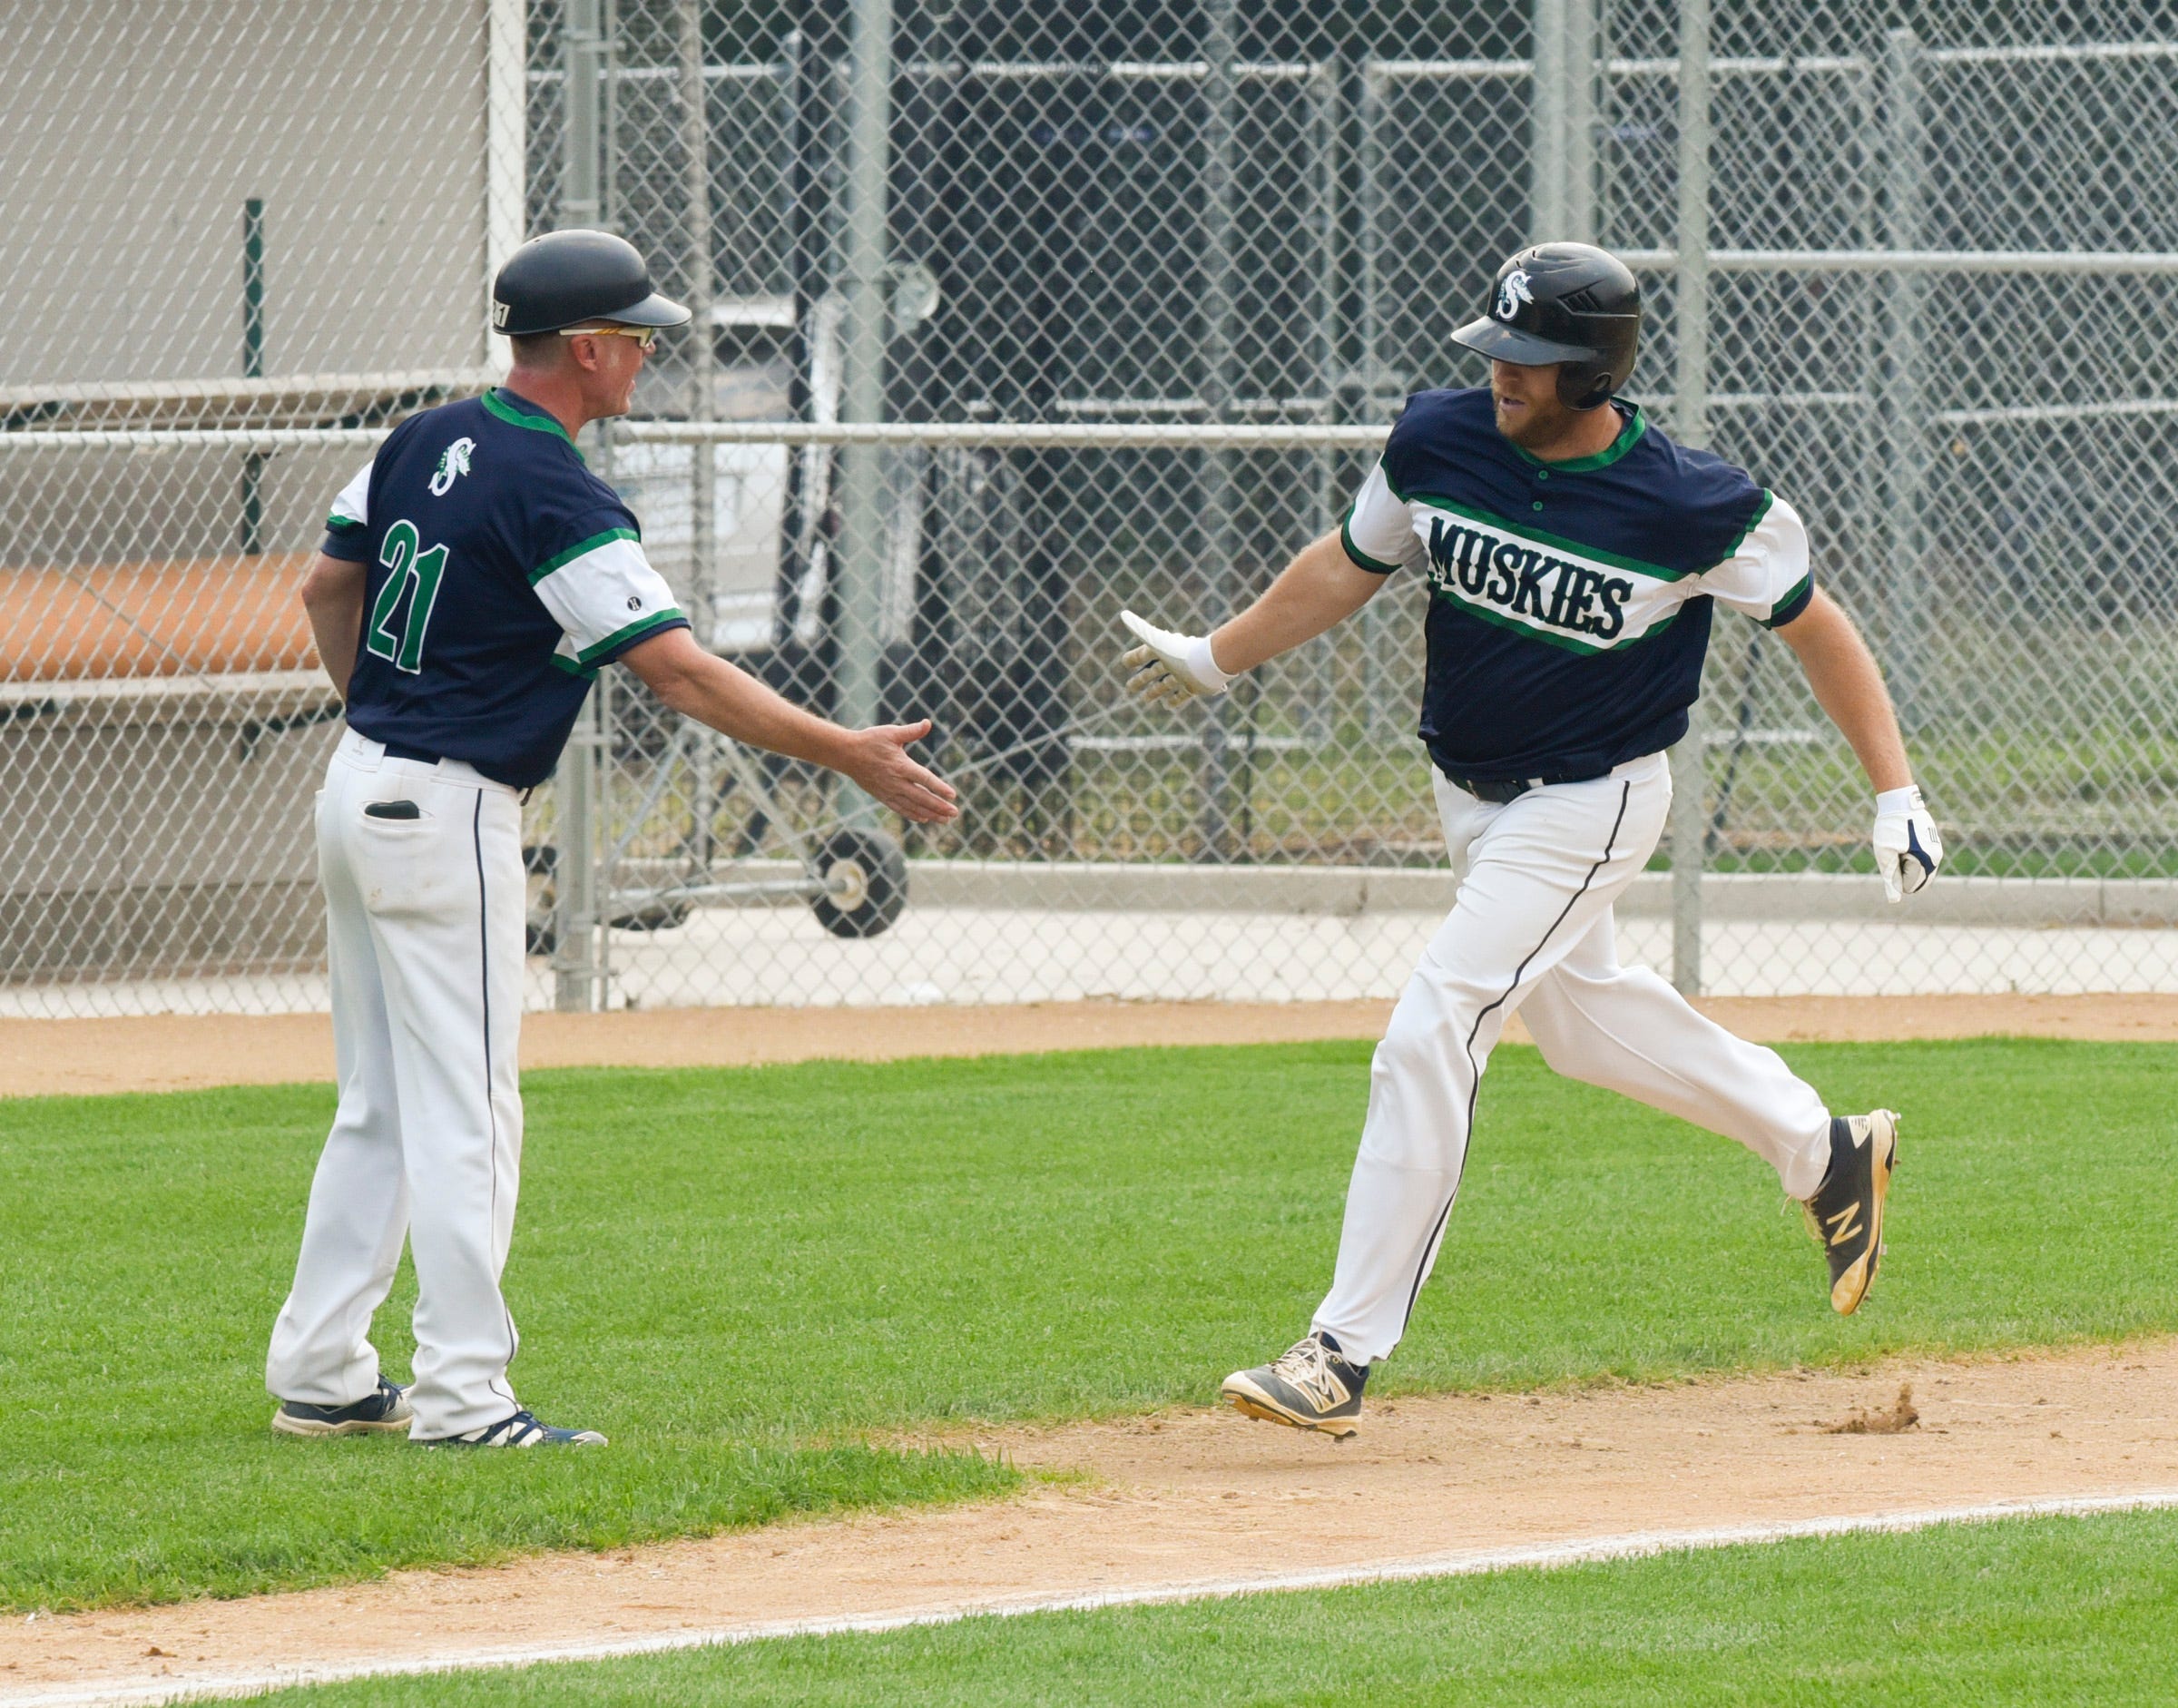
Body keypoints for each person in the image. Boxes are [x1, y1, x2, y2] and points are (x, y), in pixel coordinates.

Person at [1120, 242, 1942, 1439]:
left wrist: (1894, 789)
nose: (1503, 371)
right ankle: (1825, 1151)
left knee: (1435, 1023)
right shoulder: (1439, 440)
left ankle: (1343, 1349)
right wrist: (1216, 656)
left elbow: (1816, 626)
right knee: (1582, 1025)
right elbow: (1348, 566)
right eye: (1498, 348)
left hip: (1592, 802)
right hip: (1472, 795)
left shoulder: (1693, 503)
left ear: (1595, 373)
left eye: (1533, 357)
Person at [265, 230, 957, 1447]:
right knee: (470, 1110)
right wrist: (846, 751)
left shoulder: (421, 436)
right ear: (585, 349)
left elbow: (327, 587)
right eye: (636, 337)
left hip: (357, 785)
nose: (647, 355)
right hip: (447, 812)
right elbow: (677, 673)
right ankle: (464, 1398)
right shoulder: (555, 487)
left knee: (380, 1101)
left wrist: (380, 719)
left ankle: (323, 1369)